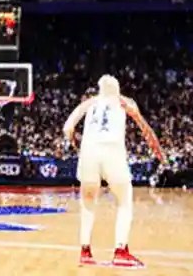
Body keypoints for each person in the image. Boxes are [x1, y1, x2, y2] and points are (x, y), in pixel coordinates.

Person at [62, 75, 166, 269]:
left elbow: (67, 128)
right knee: (124, 200)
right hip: (112, 150)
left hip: (89, 152)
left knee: (88, 204)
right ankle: (121, 251)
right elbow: (144, 127)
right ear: (117, 89)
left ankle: (85, 252)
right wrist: (157, 150)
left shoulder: (89, 102)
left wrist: (77, 144)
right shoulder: (125, 101)